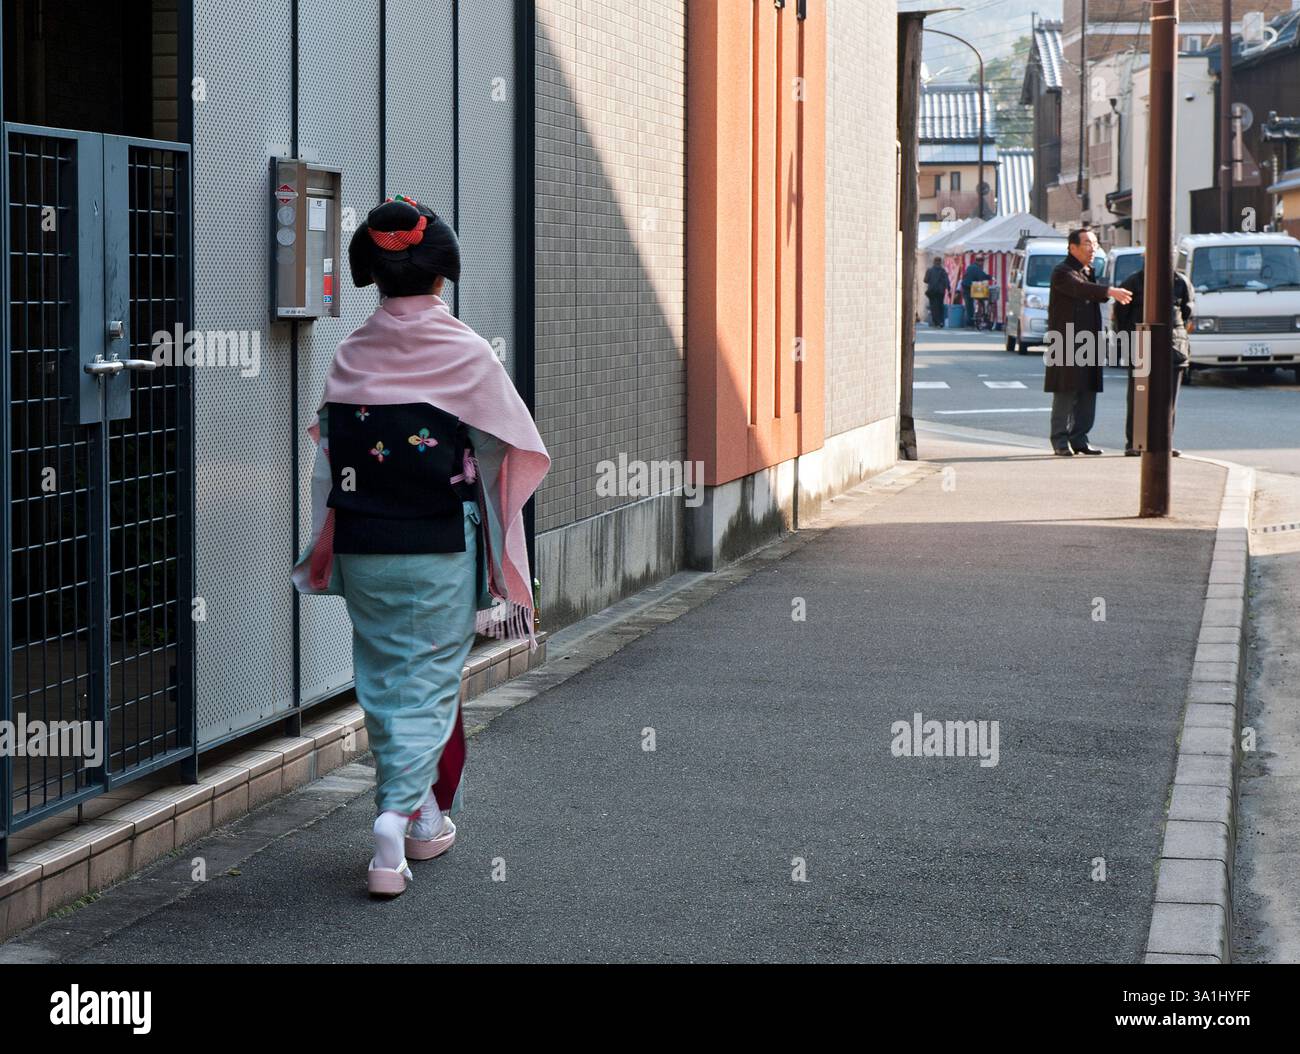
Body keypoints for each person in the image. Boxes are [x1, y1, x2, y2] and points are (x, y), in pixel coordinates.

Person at [293, 195, 550, 898]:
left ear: (376, 276)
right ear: (441, 275)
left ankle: (425, 818)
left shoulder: (352, 352)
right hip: (438, 543)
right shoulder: (463, 351)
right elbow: (517, 447)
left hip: (366, 542)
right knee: (432, 681)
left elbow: (328, 442)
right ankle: (390, 824)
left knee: (384, 680)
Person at [1044, 228, 1133, 455]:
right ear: (1072, 247)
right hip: (1065, 342)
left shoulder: (1088, 270)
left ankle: (1080, 439)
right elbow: (1080, 289)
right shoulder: (1062, 272)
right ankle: (1060, 441)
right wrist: (1109, 290)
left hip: (1089, 341)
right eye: (1087, 243)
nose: (1092, 248)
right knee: (1066, 391)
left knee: (1088, 391)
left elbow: (1090, 290)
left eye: (1094, 243)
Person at [1114, 263, 1193, 457]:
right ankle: (1135, 442)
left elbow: (1187, 312)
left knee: (1169, 399)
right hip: (1141, 341)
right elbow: (1120, 315)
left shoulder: (1181, 282)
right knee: (1139, 396)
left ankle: (1164, 441)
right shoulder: (1133, 281)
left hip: (1174, 345)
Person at [961, 255, 992, 328]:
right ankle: (970, 323)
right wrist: (990, 277)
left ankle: (970, 322)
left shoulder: (970, 266)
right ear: (980, 262)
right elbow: (981, 276)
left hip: (966, 287)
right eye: (982, 262)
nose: (982, 263)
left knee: (969, 305)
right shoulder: (976, 268)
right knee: (970, 306)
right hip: (968, 288)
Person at [923, 256, 950, 327]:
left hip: (932, 291)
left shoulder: (929, 270)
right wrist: (948, 289)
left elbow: (925, 280)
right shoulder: (943, 271)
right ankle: (940, 321)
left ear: (934, 262)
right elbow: (947, 281)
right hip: (940, 292)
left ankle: (936, 322)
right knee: (940, 306)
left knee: (933, 307)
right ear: (940, 262)